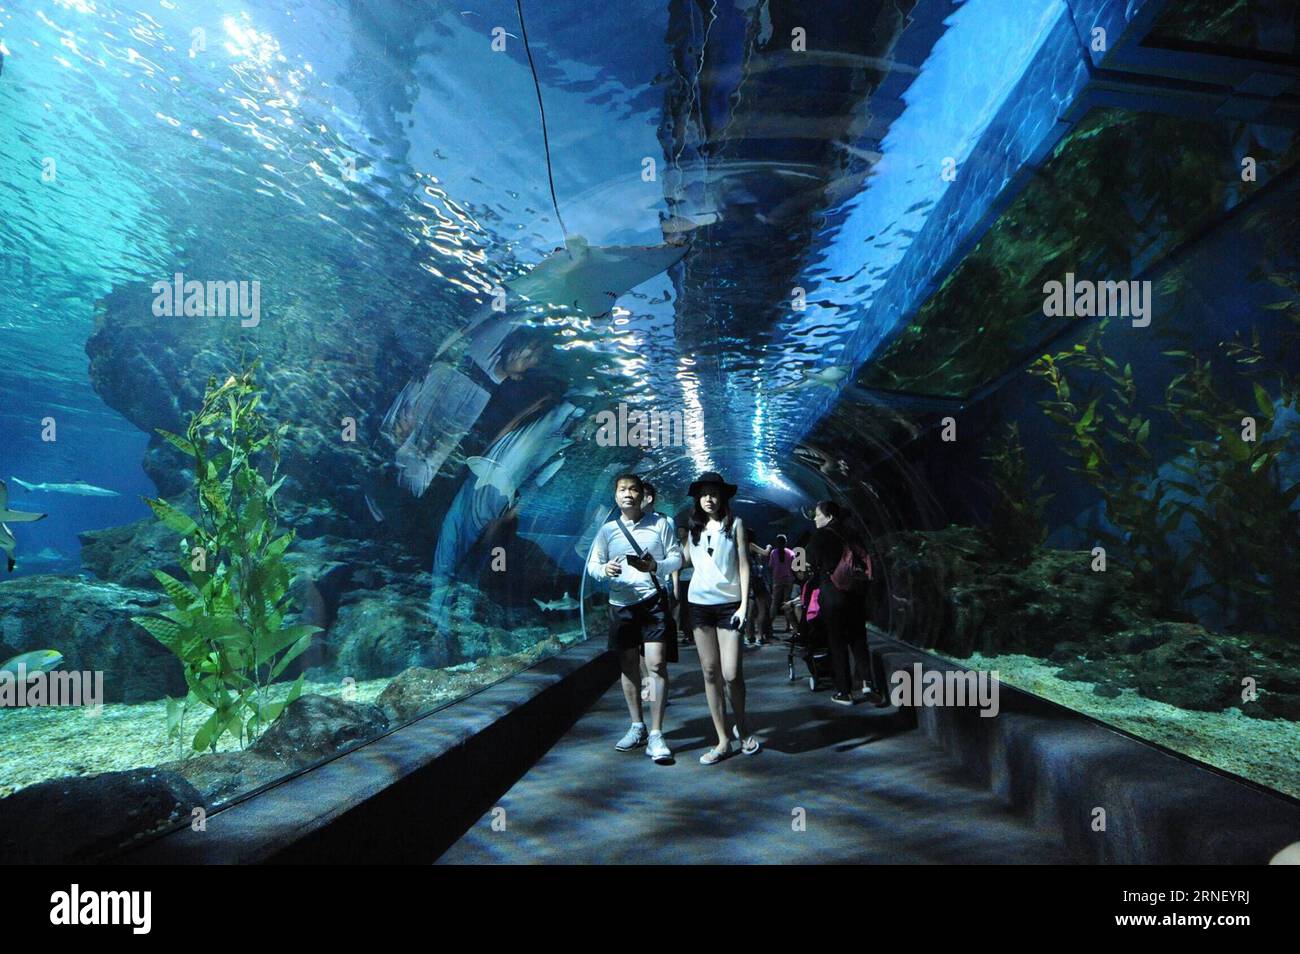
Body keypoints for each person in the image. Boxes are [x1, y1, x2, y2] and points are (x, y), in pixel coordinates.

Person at [586, 473, 683, 762]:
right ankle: (636, 725)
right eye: (621, 489)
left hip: (652, 601)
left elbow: (677, 558)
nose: (627, 494)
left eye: (633, 489)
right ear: (615, 496)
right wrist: (604, 571)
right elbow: (593, 563)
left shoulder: (661, 524)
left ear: (643, 496)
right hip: (621, 604)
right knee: (628, 665)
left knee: (655, 664)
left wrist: (657, 565)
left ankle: (656, 733)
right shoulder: (607, 530)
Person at [682, 471, 760, 763]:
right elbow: (683, 559)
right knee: (711, 672)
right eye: (703, 494)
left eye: (713, 493)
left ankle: (744, 726)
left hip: (729, 605)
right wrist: (656, 563)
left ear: (723, 496)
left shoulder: (735, 524)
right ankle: (722, 739)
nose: (708, 499)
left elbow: (743, 564)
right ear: (697, 499)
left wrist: (744, 604)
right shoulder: (693, 529)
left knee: (731, 673)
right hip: (700, 605)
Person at [806, 499, 886, 707]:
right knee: (859, 639)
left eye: (817, 514)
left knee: (837, 642)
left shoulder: (819, 536)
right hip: (856, 593)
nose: (815, 518)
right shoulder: (852, 532)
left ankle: (844, 692)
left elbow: (810, 563)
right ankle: (868, 683)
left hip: (833, 594)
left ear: (829, 516)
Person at [751, 534, 796, 635]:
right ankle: (788, 626)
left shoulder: (773, 553)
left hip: (777, 581)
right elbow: (794, 568)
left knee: (774, 604)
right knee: (787, 602)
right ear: (786, 542)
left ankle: (769, 626)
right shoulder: (791, 553)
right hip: (789, 580)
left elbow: (770, 567)